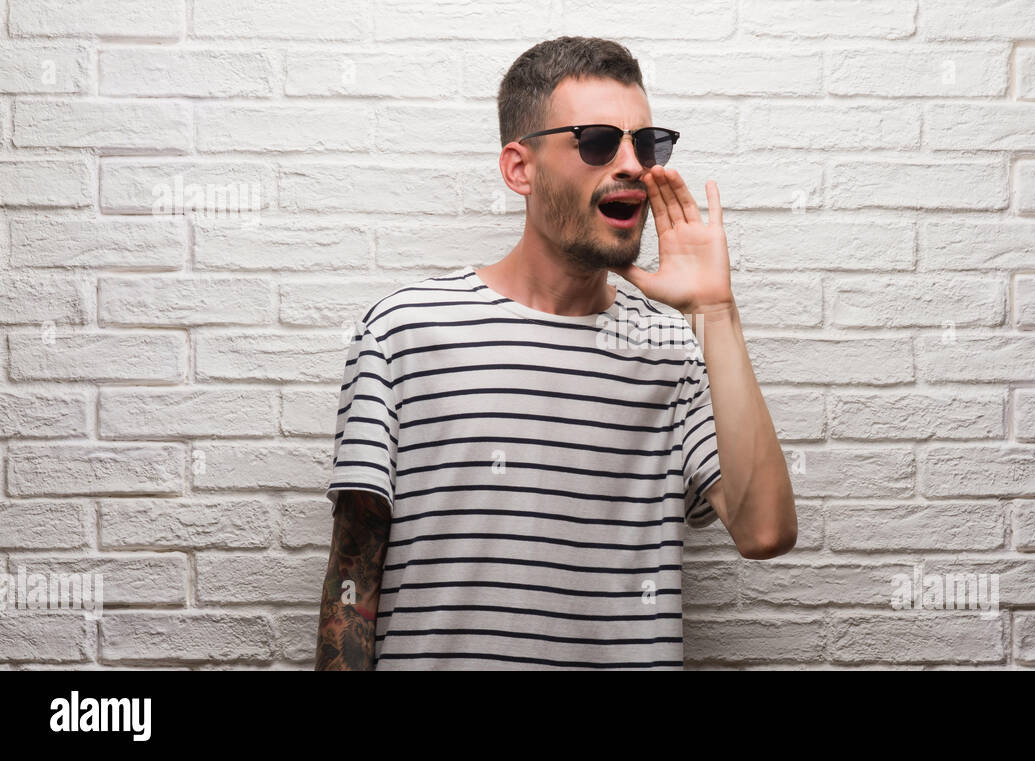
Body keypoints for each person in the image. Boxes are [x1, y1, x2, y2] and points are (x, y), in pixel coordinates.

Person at [315, 36, 796, 670]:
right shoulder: (406, 330)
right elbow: (352, 583)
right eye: (597, 142)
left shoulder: (673, 346)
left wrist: (714, 313)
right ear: (521, 168)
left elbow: (766, 533)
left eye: (646, 144)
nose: (633, 166)